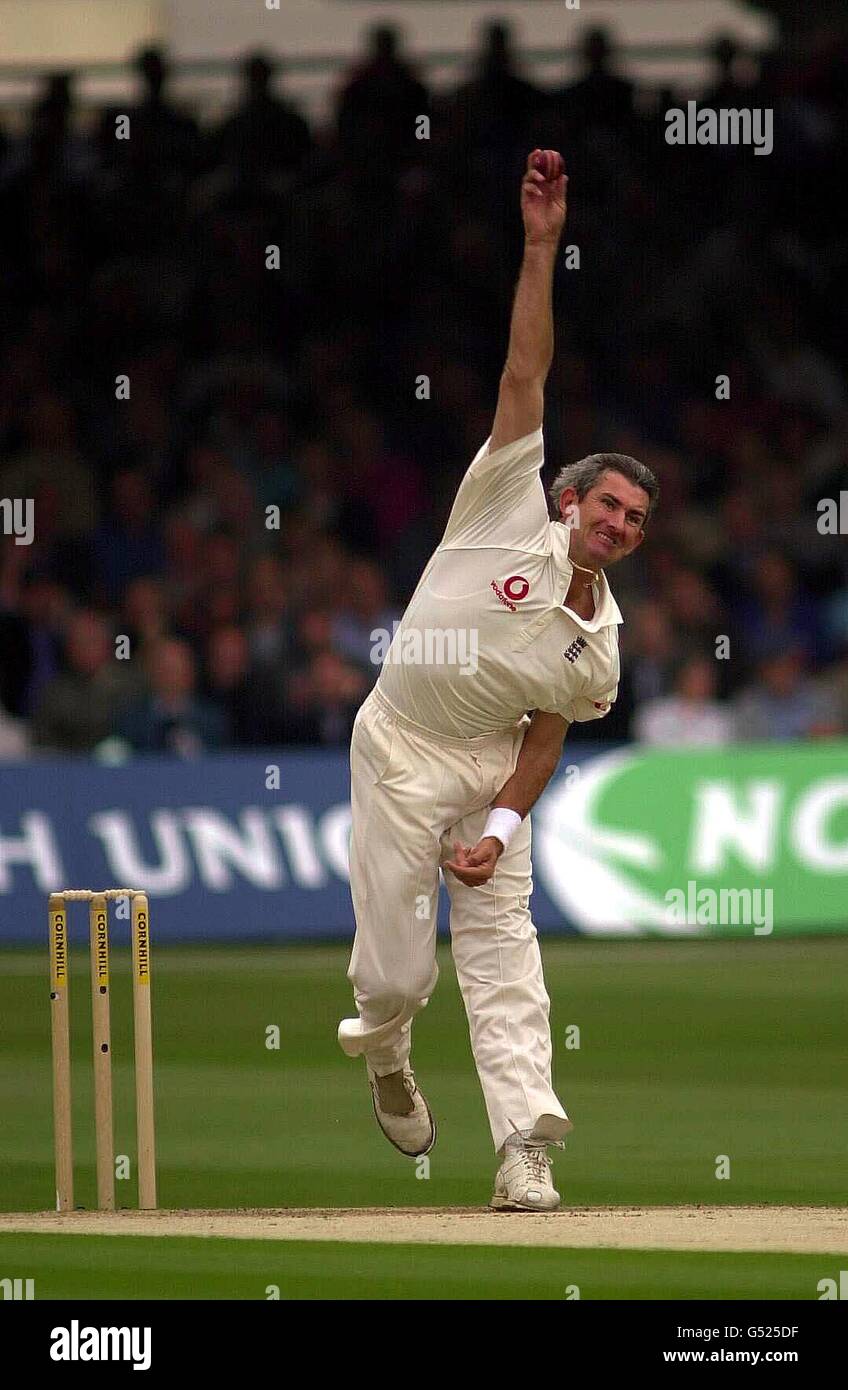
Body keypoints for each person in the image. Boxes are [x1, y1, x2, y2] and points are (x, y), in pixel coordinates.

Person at [338, 152, 658, 1211]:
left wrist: (503, 829)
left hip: (484, 777)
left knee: (504, 960)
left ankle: (525, 1147)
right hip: (397, 745)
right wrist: (536, 247)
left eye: (633, 520)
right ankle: (385, 1049)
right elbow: (526, 372)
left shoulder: (599, 645)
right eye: (605, 504)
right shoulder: (502, 501)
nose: (614, 524)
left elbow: (546, 735)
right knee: (392, 975)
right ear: (569, 499)